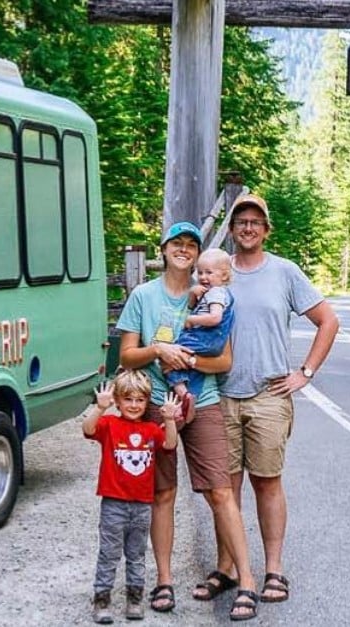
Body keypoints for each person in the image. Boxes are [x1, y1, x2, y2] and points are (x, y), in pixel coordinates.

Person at [116, 221, 261, 621]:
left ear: (199, 255)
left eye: (190, 245)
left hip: (206, 401)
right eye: (176, 243)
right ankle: (163, 580)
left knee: (220, 491)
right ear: (163, 250)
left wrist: (189, 359)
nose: (183, 250)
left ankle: (246, 580)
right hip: (153, 406)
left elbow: (225, 361)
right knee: (162, 493)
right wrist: (160, 348)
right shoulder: (144, 296)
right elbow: (126, 356)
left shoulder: (214, 297)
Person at [210, 193, 339, 604]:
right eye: (241, 221)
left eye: (255, 222)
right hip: (221, 393)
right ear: (231, 229)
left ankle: (273, 570)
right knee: (224, 489)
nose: (248, 228)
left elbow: (328, 320)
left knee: (267, 483)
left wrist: (305, 373)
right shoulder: (217, 270)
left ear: (266, 230)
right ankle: (226, 567)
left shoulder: (284, 272)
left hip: (269, 393)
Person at [82, 371, 180, 623]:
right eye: (128, 399)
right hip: (114, 502)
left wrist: (169, 420)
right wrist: (100, 408)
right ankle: (102, 600)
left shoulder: (150, 429)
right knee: (109, 553)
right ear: (117, 400)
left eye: (139, 400)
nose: (134, 405)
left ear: (147, 402)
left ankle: (134, 599)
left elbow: (169, 445)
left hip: (142, 504)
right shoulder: (109, 425)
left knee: (137, 554)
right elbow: (88, 429)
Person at [165, 248, 235, 422]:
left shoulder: (217, 293)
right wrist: (192, 294)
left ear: (224, 276)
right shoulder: (209, 292)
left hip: (206, 337)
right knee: (194, 372)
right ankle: (189, 401)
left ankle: (182, 392)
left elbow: (215, 318)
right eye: (200, 272)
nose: (203, 277)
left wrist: (191, 320)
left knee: (169, 356)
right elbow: (191, 305)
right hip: (208, 338)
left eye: (209, 273)